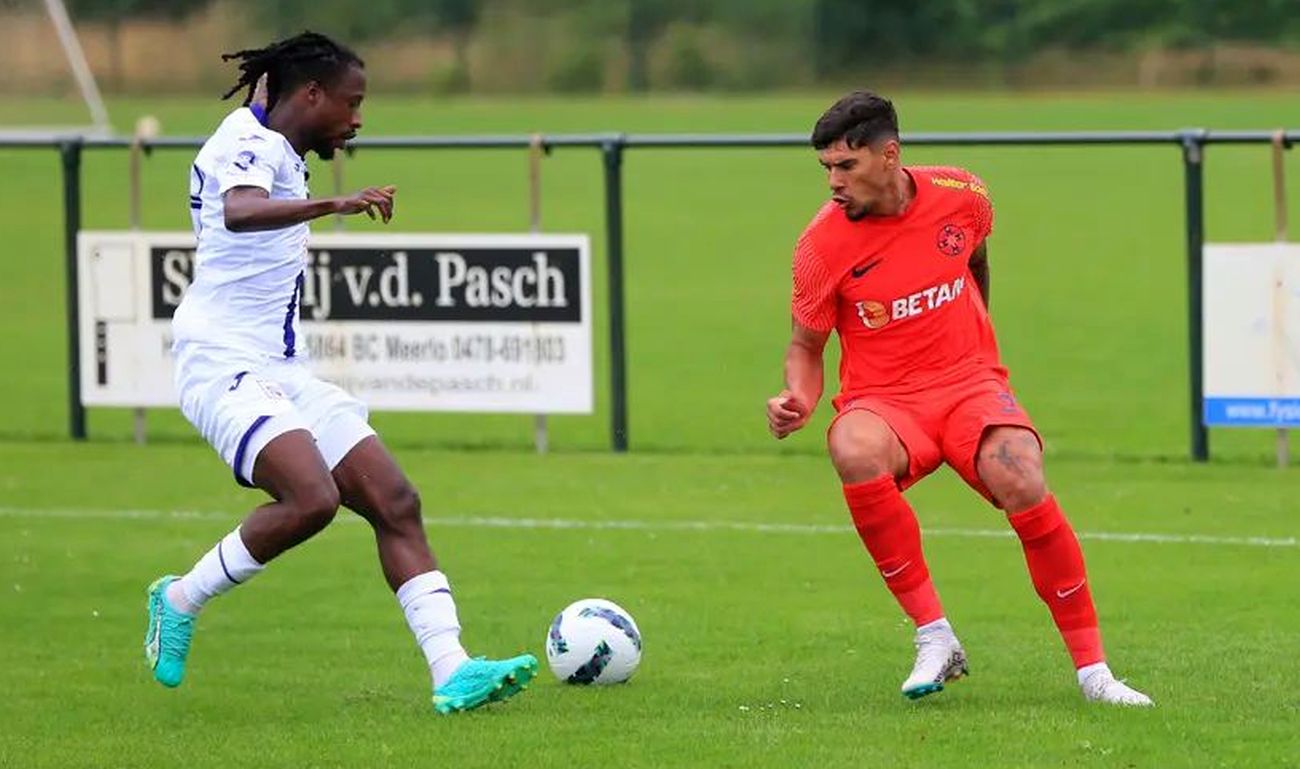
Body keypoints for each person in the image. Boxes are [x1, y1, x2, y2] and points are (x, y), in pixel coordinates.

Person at [143, 31, 536, 714]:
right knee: (312, 498)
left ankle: (452, 668)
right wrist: (335, 204)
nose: (358, 120)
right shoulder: (246, 140)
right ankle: (179, 598)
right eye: (351, 105)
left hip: (282, 366)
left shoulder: (284, 146)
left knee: (395, 500)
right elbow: (237, 211)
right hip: (221, 362)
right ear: (312, 94)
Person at [766, 90, 1152, 706]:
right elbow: (805, 348)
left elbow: (976, 261)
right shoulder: (820, 245)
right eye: (826, 170)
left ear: (889, 155)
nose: (833, 183)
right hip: (885, 400)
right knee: (852, 446)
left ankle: (1095, 674)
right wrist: (798, 397)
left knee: (1020, 472)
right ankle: (935, 636)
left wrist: (976, 360)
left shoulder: (964, 194)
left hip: (969, 385)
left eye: (847, 167)